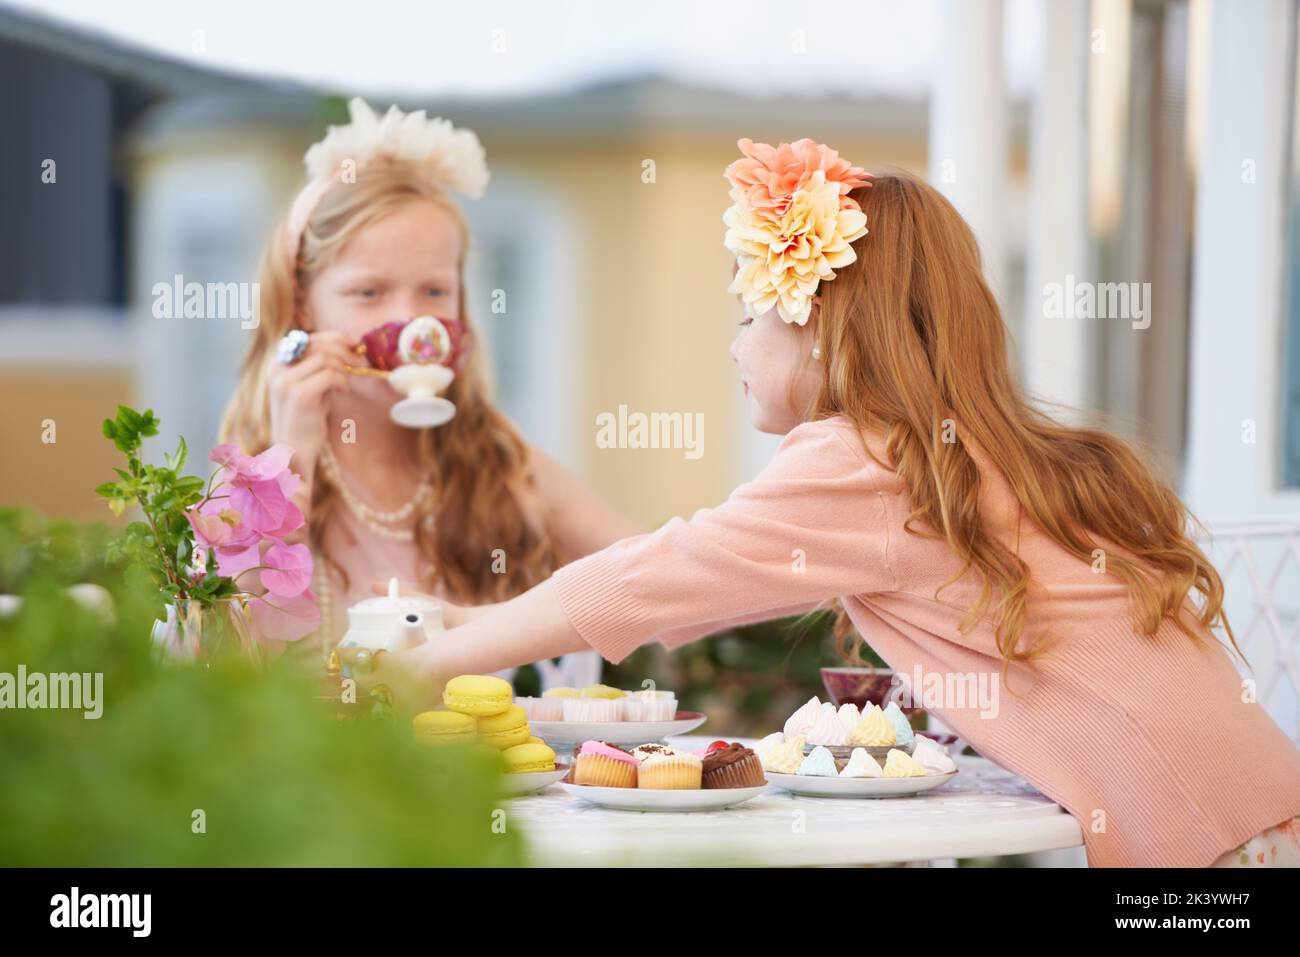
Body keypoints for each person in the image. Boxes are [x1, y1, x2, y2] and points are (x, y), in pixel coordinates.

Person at [349, 139, 1300, 867]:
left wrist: (437, 658)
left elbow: (662, 575)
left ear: (824, 327)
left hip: (1205, 847)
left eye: (747, 316)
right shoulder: (950, 450)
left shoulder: (863, 458)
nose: (733, 348)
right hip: (1251, 808)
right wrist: (474, 621)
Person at [219, 99, 641, 671]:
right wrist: (292, 451)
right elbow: (225, 657)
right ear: (301, 304)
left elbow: (651, 573)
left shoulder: (502, 465)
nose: (412, 324)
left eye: (435, 293)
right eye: (369, 293)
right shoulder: (246, 483)